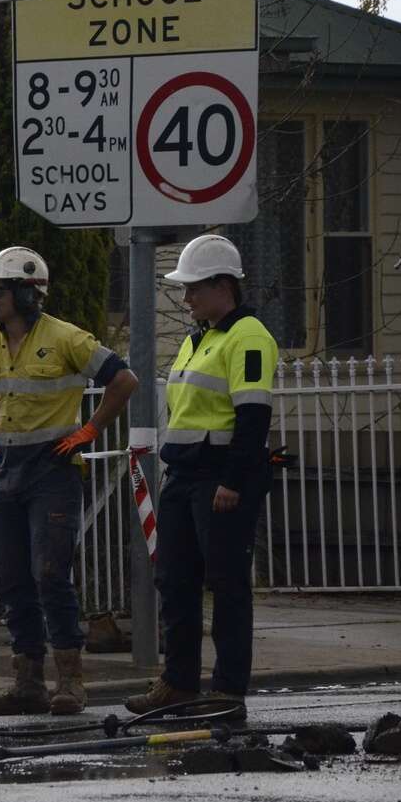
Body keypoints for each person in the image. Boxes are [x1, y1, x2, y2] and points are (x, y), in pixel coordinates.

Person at [0, 246, 138, 715]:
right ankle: (28, 681)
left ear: (25, 293)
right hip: (6, 469)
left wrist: (89, 430)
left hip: (53, 470)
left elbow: (124, 381)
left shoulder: (66, 339)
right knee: (14, 578)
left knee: (50, 573)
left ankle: (70, 681)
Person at [126, 235, 276, 719]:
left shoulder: (247, 335)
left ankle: (228, 690)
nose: (186, 297)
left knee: (227, 583)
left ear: (222, 285)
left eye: (194, 288)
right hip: (185, 473)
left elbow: (252, 417)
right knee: (175, 580)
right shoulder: (199, 338)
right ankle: (179, 683)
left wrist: (233, 480)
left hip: (220, 476)